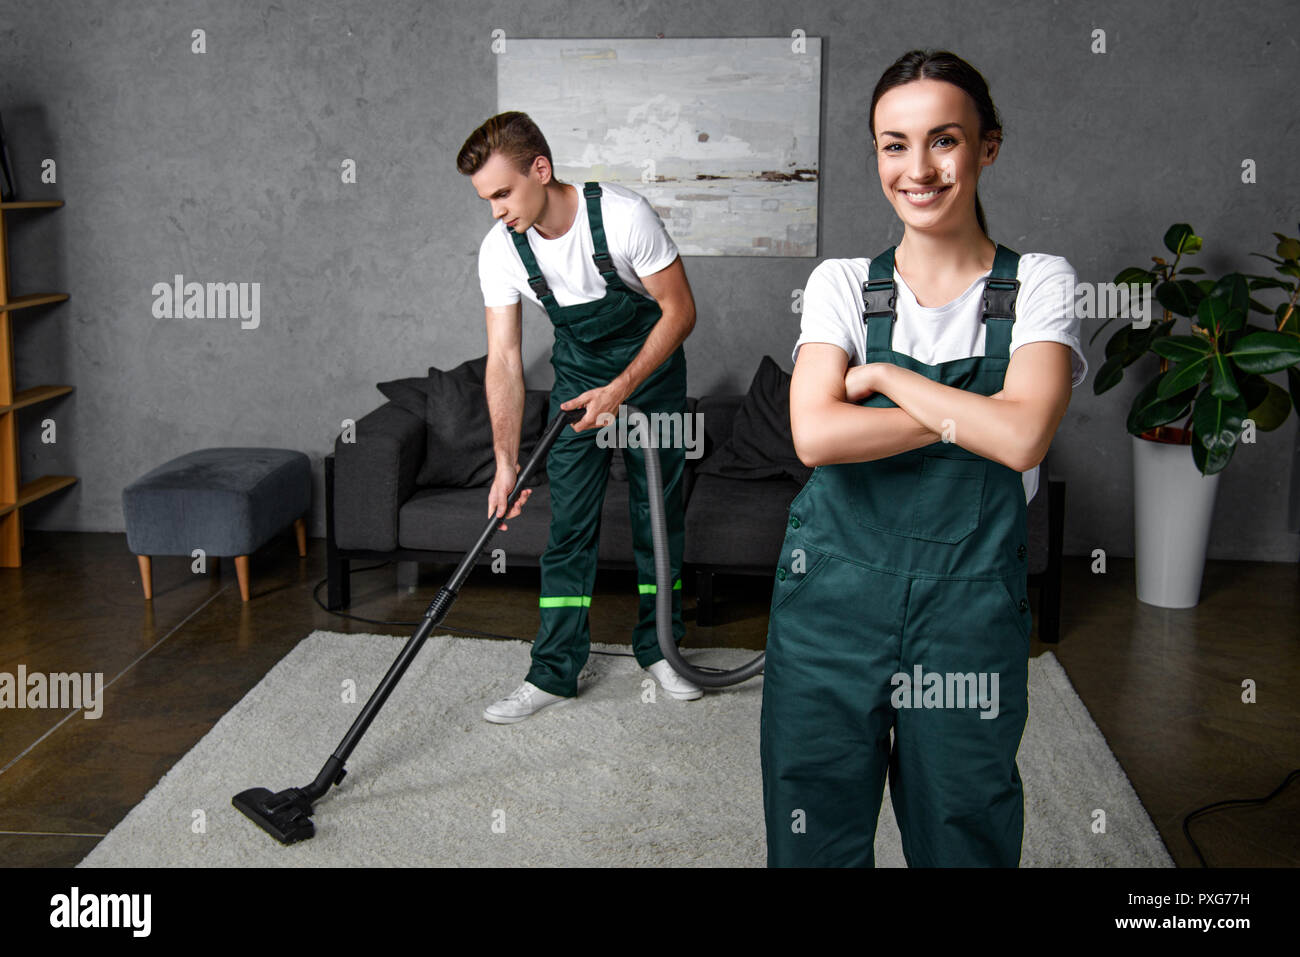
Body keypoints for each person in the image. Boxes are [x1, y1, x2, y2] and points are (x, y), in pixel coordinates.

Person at [760, 49, 1089, 866]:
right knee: (813, 828)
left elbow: (1022, 439)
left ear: (988, 146)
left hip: (968, 615)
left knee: (963, 829)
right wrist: (969, 408)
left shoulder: (1040, 280)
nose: (918, 168)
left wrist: (885, 381)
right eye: (893, 144)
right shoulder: (840, 281)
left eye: (944, 140)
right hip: (830, 604)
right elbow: (818, 437)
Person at [456, 112, 703, 723]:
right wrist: (506, 463)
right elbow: (506, 360)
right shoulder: (501, 250)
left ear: (540, 169)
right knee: (568, 525)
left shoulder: (622, 215)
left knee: (659, 522)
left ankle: (662, 651)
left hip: (650, 380)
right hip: (575, 386)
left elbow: (679, 312)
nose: (496, 211)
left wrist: (621, 389)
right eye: (486, 199)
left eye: (502, 193)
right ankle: (553, 670)